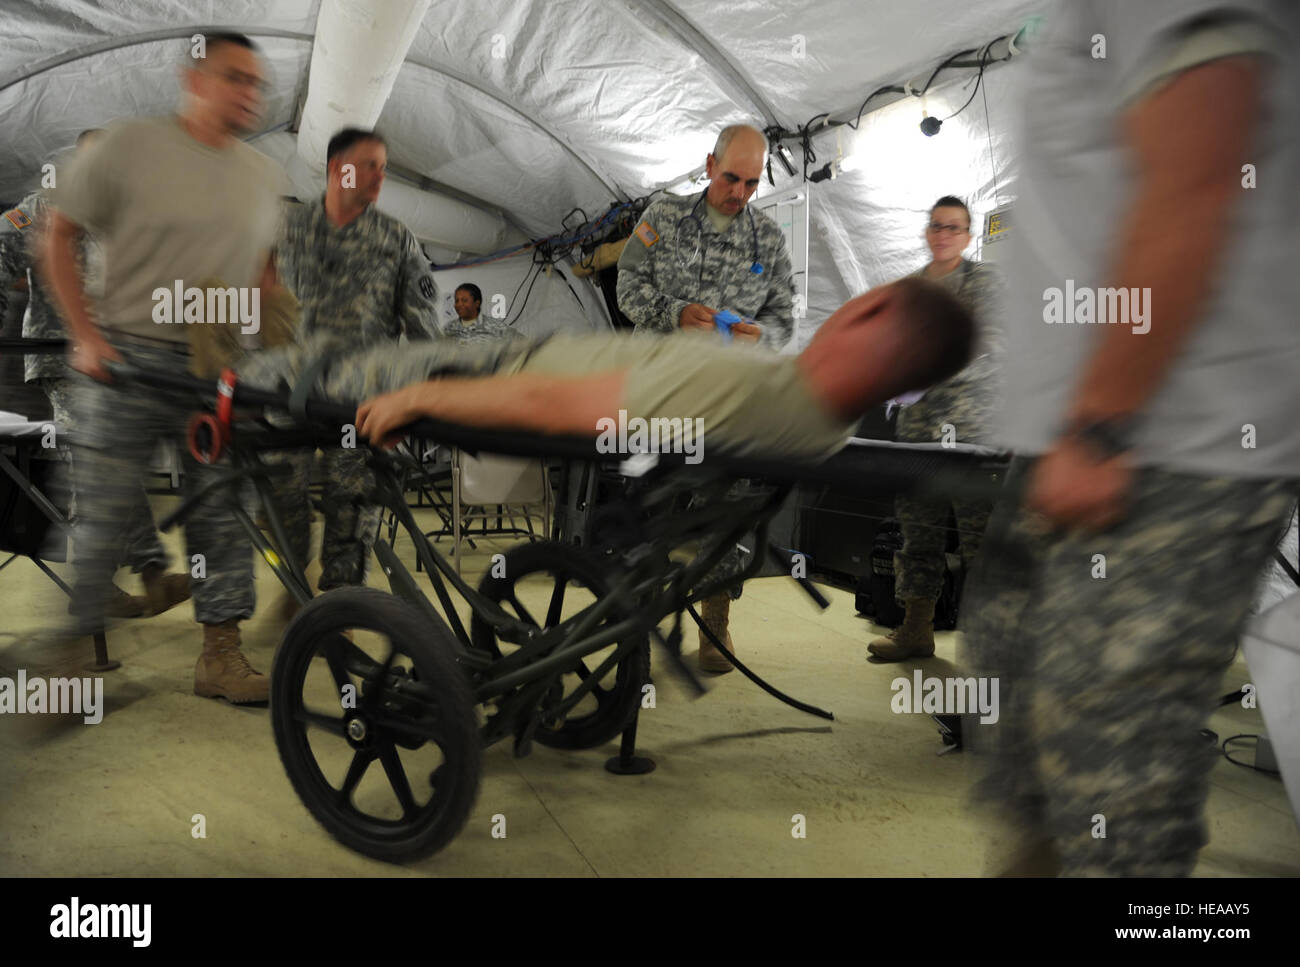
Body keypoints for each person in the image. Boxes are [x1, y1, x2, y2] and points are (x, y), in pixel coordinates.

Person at [960, 0, 1299, 876]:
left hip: (1168, 442)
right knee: (1020, 733)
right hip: (1078, 437)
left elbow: (1201, 169)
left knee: (1110, 787)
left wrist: (1105, 424)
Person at [41, 31, 286, 704]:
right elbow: (58, 234)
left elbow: (265, 273)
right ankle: (67, 658)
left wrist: (269, 353)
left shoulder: (264, 175)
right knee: (104, 508)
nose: (251, 94)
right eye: (236, 78)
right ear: (194, 80)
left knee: (223, 509)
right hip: (127, 356)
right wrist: (84, 335)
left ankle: (220, 654)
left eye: (257, 83)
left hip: (216, 363)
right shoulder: (130, 145)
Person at [239, 277, 971, 470]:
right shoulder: (825, 429)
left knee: (317, 371)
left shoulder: (753, 383)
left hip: (497, 368)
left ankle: (223, 396)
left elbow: (559, 406)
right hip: (513, 360)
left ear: (870, 310)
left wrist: (424, 397)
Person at [616, 123, 796, 672]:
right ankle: (635, 628)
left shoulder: (769, 239)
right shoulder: (664, 217)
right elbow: (627, 287)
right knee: (649, 510)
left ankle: (715, 623)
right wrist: (674, 313)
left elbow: (784, 318)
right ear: (709, 164)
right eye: (730, 178)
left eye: (751, 183)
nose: (739, 192)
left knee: (725, 514)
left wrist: (761, 336)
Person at [2, 131, 191, 618]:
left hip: (119, 362)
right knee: (98, 458)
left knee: (115, 460)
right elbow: (1, 248)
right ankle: (103, 586)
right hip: (63, 356)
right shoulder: (47, 205)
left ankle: (147, 572)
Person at [270, 127, 440, 601]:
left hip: (359, 400)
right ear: (335, 169)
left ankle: (342, 606)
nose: (380, 176)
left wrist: (422, 395)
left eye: (383, 168)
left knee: (353, 502)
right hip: (290, 394)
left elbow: (425, 330)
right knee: (282, 496)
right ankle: (294, 584)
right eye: (369, 165)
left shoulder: (395, 239)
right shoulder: (289, 231)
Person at [867, 196, 1004, 661]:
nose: (944, 235)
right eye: (937, 226)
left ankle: (989, 644)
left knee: (981, 541)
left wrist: (929, 370)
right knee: (917, 534)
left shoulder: (985, 282)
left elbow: (992, 346)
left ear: (968, 236)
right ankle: (916, 628)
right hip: (917, 435)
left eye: (954, 228)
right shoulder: (910, 289)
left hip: (970, 433)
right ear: (927, 233)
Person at [441, 282, 522, 343]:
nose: (459, 305)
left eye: (464, 300)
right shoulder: (448, 329)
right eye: (457, 301)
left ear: (477, 303)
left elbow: (524, 345)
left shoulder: (497, 328)